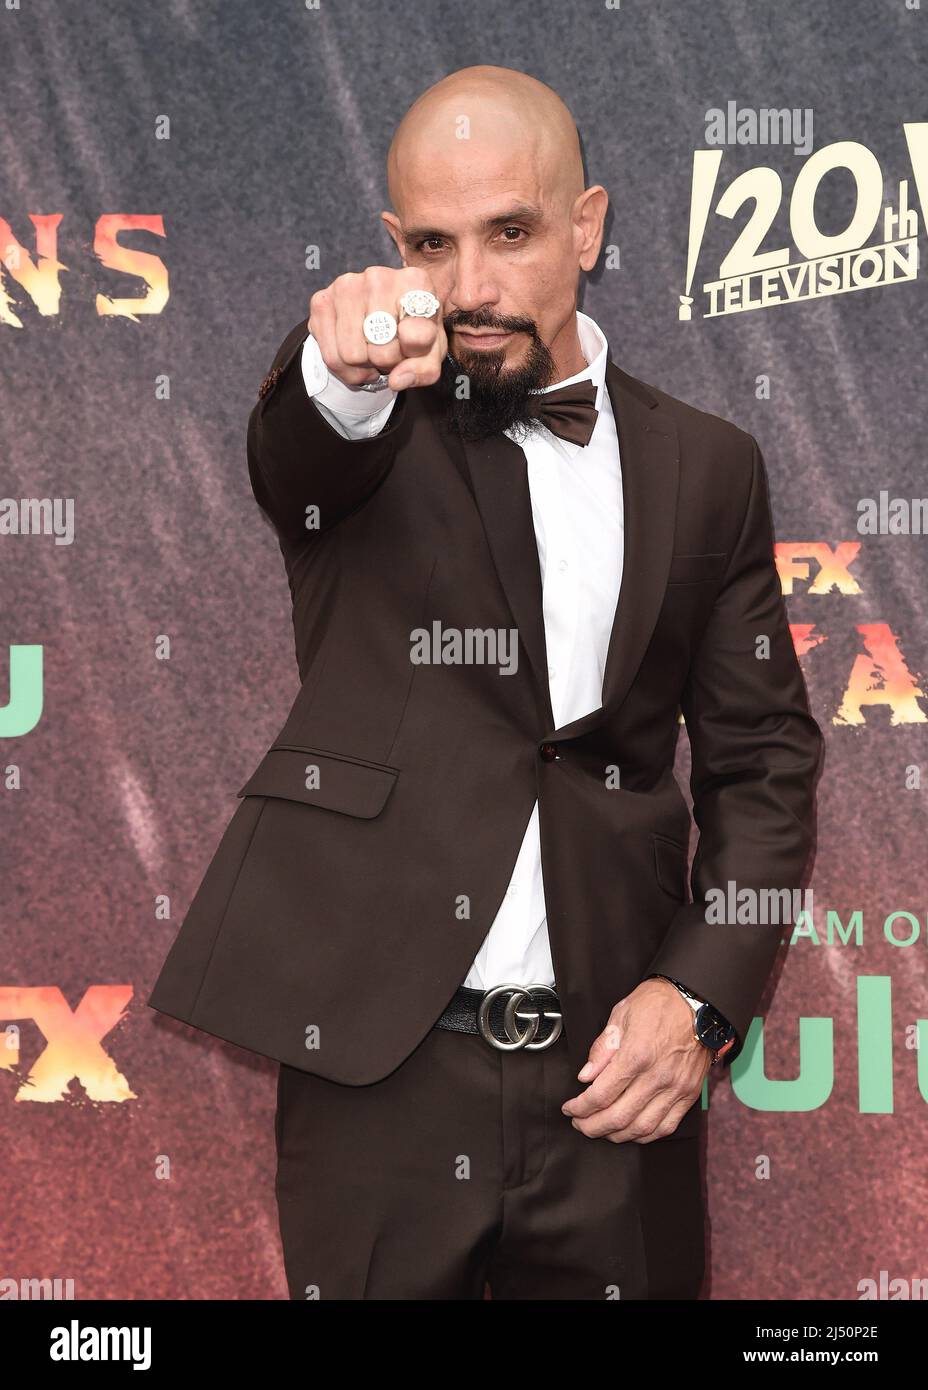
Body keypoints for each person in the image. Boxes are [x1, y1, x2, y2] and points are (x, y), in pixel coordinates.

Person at [148, 64, 823, 1299]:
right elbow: (294, 447)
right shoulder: (366, 423)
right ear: (392, 248)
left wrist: (699, 999)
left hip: (615, 1078)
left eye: (509, 233)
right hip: (378, 1080)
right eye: (431, 244)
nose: (469, 287)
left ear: (586, 225)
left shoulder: (712, 466)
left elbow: (764, 767)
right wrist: (333, 362)